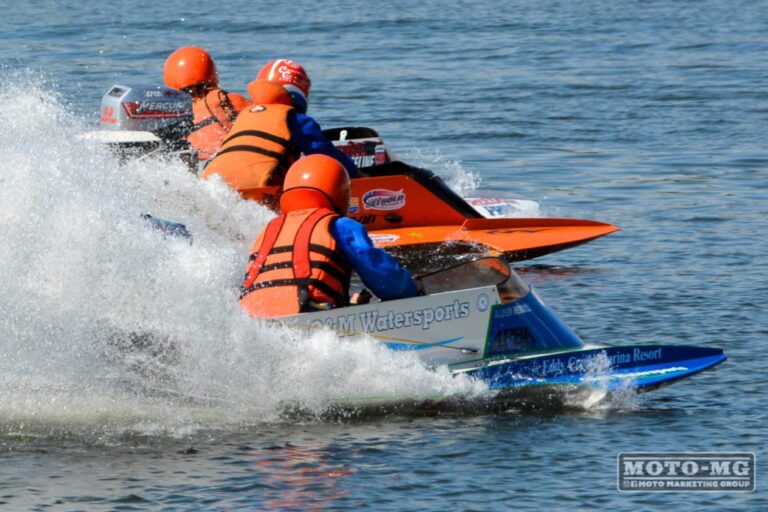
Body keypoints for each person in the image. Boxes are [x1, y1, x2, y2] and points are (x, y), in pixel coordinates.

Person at [240, 154, 418, 318]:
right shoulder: (340, 226)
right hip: (310, 318)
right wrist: (412, 289)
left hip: (255, 320)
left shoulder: (269, 230)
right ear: (339, 190)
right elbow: (388, 282)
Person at [202, 59, 360, 192]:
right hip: (257, 189)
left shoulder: (245, 115)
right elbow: (328, 157)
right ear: (299, 92)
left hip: (212, 184)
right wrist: (358, 175)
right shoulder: (296, 119)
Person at [163, 47, 250, 161]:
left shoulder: (172, 113)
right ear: (211, 71)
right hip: (231, 162)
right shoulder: (229, 100)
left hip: (199, 169)